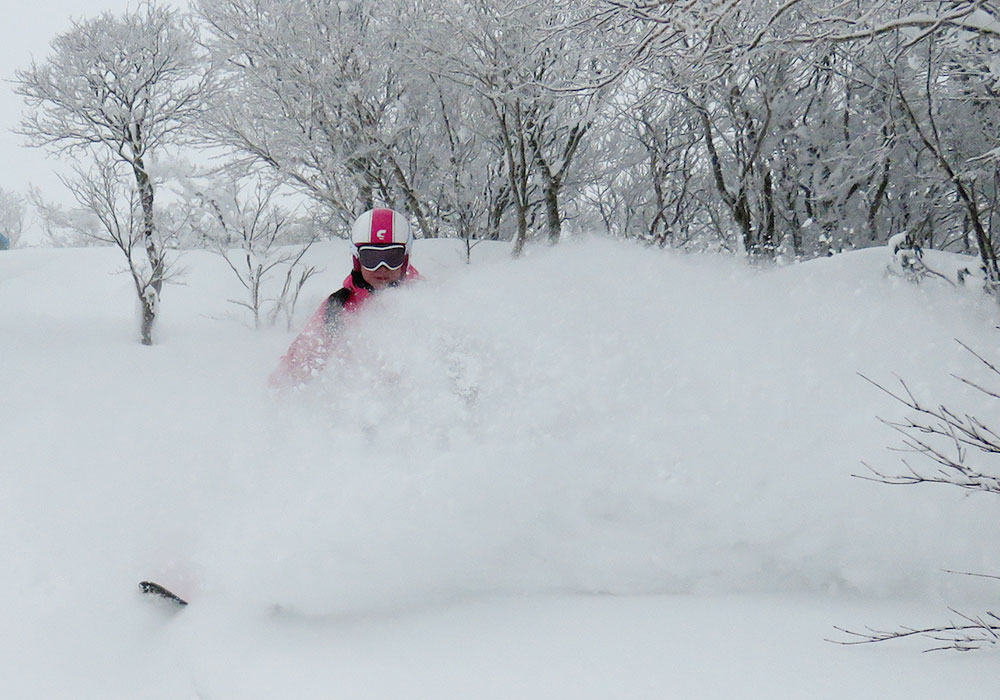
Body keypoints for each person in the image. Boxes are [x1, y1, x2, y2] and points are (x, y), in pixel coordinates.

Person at [269, 207, 419, 389]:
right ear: (357, 259)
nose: (382, 267)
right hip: (361, 407)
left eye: (391, 257)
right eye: (371, 258)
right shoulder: (338, 308)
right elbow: (296, 366)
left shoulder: (428, 300)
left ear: (405, 259)